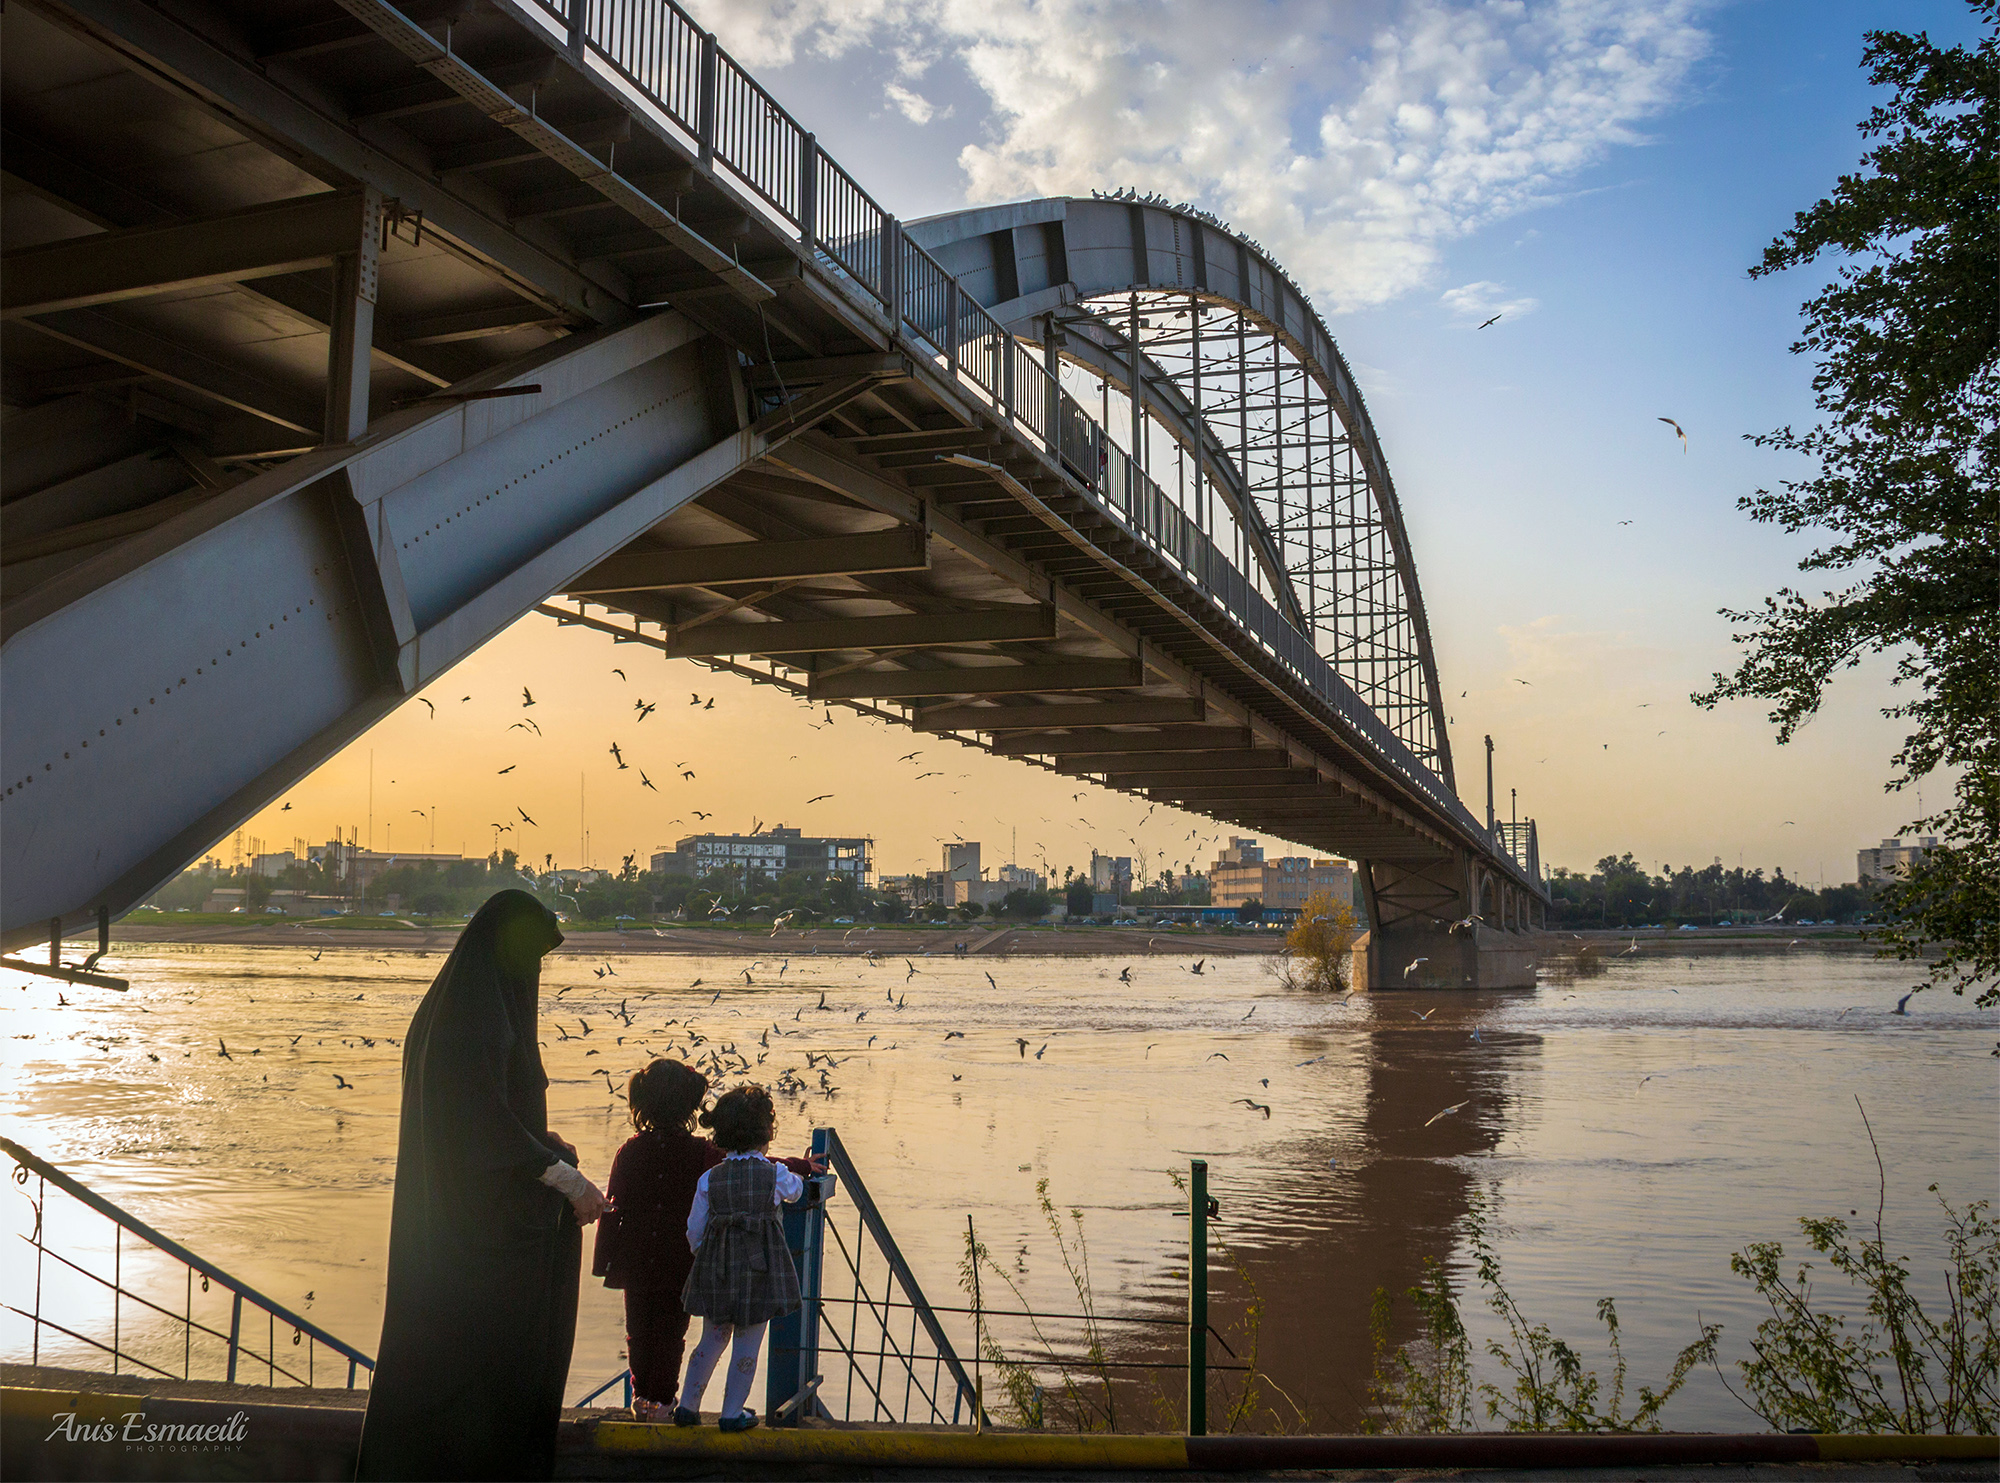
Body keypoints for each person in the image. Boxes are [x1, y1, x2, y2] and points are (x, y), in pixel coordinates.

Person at [356, 890, 609, 1482]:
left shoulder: (465, 1005)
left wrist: (550, 1151)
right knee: (475, 1386)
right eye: (533, 956)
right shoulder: (474, 1019)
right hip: (475, 1247)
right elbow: (481, 1126)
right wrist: (568, 1180)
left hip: (454, 1227)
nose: (538, 972)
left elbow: (488, 1115)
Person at [592, 1063, 820, 1422]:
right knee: (671, 1334)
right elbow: (754, 1166)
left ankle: (642, 1399)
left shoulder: (628, 1151)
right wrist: (802, 1166)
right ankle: (665, 1403)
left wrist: (605, 1260)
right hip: (679, 1260)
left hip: (636, 1258)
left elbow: (613, 1205)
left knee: (638, 1331)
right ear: (689, 1108)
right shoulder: (701, 1154)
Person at [675, 1084, 809, 1432]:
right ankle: (732, 1412)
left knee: (712, 1338)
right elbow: (796, 1192)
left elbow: (694, 1229)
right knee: (747, 1342)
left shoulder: (710, 1178)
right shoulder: (774, 1174)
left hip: (718, 1271)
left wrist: (704, 1255)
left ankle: (688, 1406)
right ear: (766, 1133)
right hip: (759, 1273)